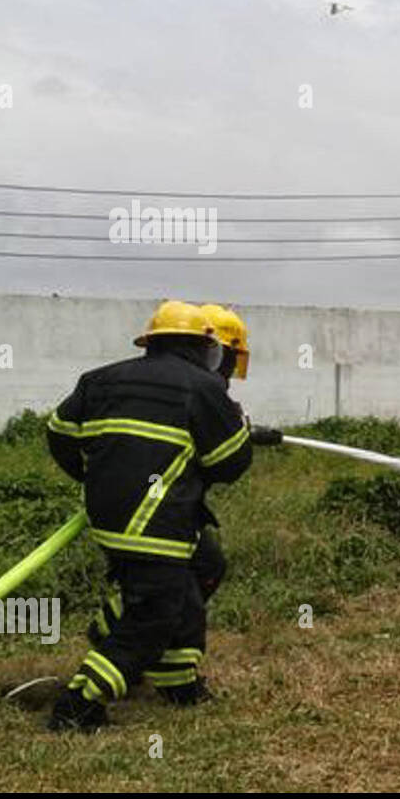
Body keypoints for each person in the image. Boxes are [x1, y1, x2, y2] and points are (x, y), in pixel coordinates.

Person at [45, 300, 253, 731]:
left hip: (111, 517)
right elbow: (229, 465)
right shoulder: (202, 387)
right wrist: (238, 429)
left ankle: (177, 682)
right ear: (204, 349)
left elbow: (58, 433)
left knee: (205, 566)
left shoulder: (99, 380)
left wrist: (89, 476)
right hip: (156, 523)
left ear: (151, 343)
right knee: (155, 613)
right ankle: (80, 703)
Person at [192, 304, 281, 603]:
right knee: (203, 569)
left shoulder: (179, 382)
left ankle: (159, 629)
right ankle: (128, 636)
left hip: (139, 504)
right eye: (231, 360)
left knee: (185, 576)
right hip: (161, 512)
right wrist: (238, 439)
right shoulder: (202, 389)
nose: (230, 372)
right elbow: (228, 466)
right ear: (215, 353)